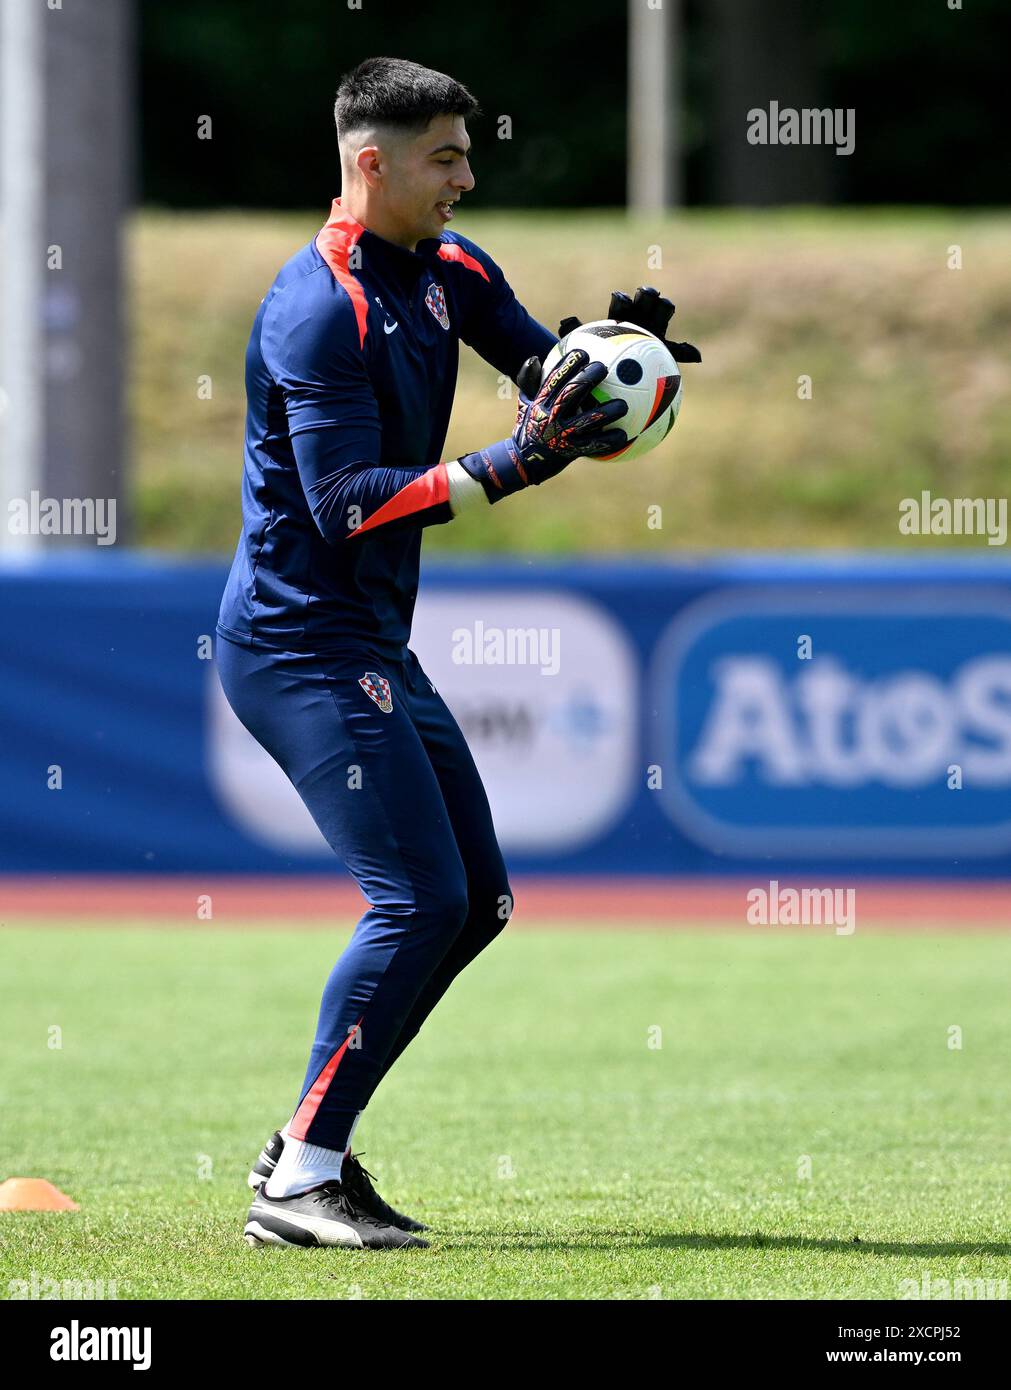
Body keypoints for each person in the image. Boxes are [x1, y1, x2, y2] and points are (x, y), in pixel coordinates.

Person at [216, 55, 699, 1250]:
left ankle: (307, 1148)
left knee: (475, 899)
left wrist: (614, 365)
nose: (467, 177)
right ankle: (296, 1183)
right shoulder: (316, 305)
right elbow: (343, 504)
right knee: (417, 897)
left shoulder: (451, 268)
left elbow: (549, 388)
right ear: (369, 163)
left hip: (370, 637)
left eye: (467, 154)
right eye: (444, 157)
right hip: (297, 641)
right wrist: (507, 462)